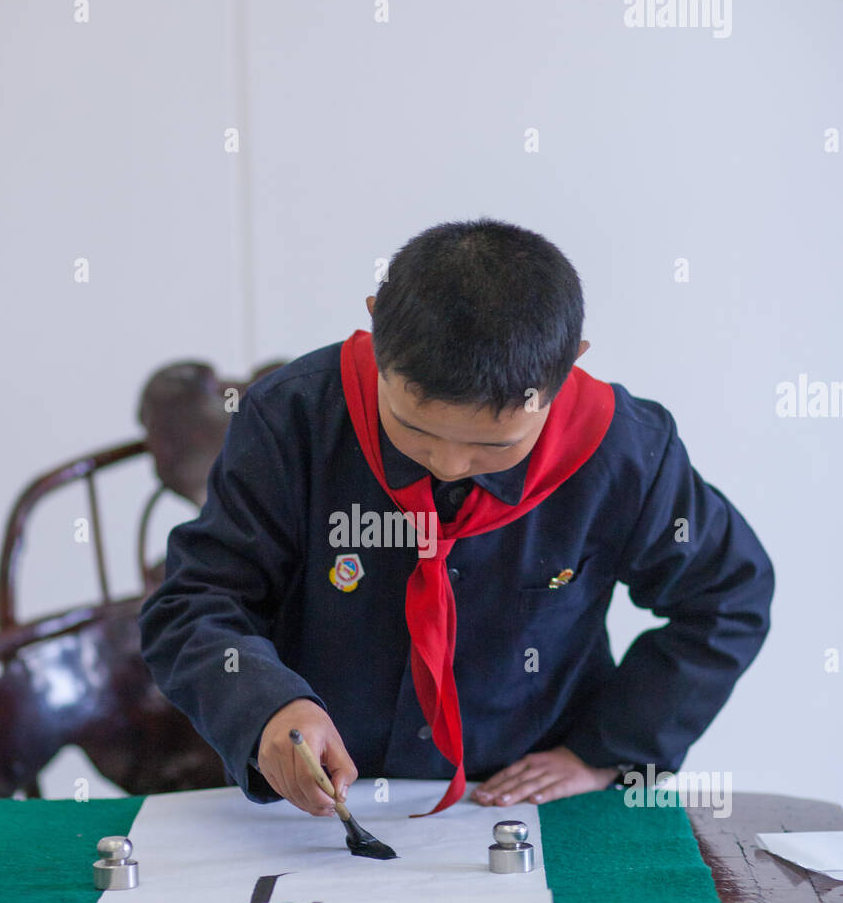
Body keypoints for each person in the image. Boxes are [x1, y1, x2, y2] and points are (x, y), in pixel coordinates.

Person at [139, 219, 774, 818]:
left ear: (568, 364)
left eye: (494, 446)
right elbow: (198, 598)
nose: (447, 465)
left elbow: (727, 595)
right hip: (324, 796)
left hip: (514, 797)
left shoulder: (622, 451)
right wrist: (268, 708)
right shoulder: (293, 418)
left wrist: (606, 749)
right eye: (415, 431)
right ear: (376, 329)